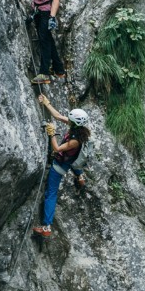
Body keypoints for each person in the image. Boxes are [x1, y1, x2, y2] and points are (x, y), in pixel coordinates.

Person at [32, 94, 89, 238]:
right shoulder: (80, 128)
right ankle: (79, 175)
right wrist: (46, 103)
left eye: (70, 119)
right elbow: (58, 116)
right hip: (71, 160)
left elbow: (57, 148)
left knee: (50, 194)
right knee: (74, 162)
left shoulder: (75, 140)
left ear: (74, 122)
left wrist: (52, 134)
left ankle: (46, 227)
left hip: (60, 165)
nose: (68, 120)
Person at [8, 0, 65, 84]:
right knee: (47, 38)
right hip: (37, 7)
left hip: (47, 9)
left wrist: (52, 17)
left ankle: (44, 73)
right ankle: (59, 69)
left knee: (44, 39)